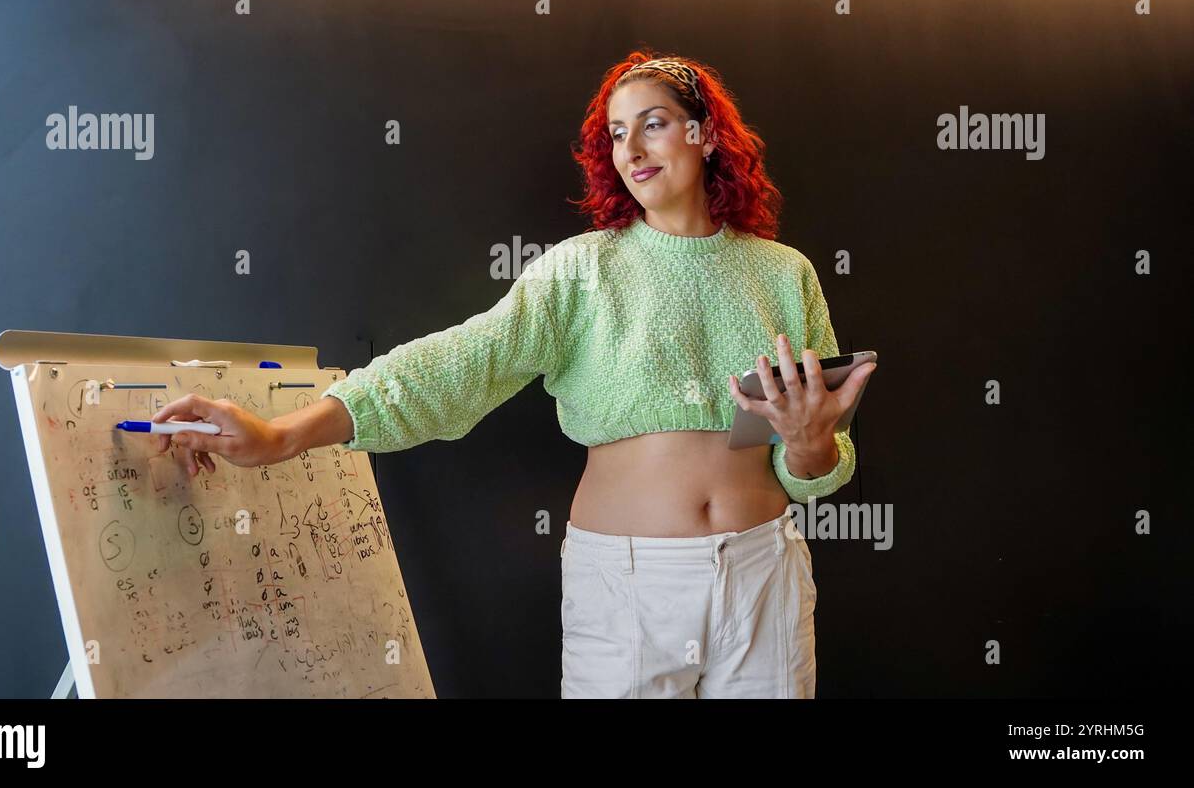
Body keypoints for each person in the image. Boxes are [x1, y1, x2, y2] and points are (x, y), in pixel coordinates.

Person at [150, 50, 877, 698]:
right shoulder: (582, 271)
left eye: (654, 123)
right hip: (625, 586)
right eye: (617, 135)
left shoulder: (785, 275)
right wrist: (283, 434)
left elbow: (815, 462)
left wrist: (812, 445)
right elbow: (457, 367)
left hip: (764, 571)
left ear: (705, 134)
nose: (633, 148)